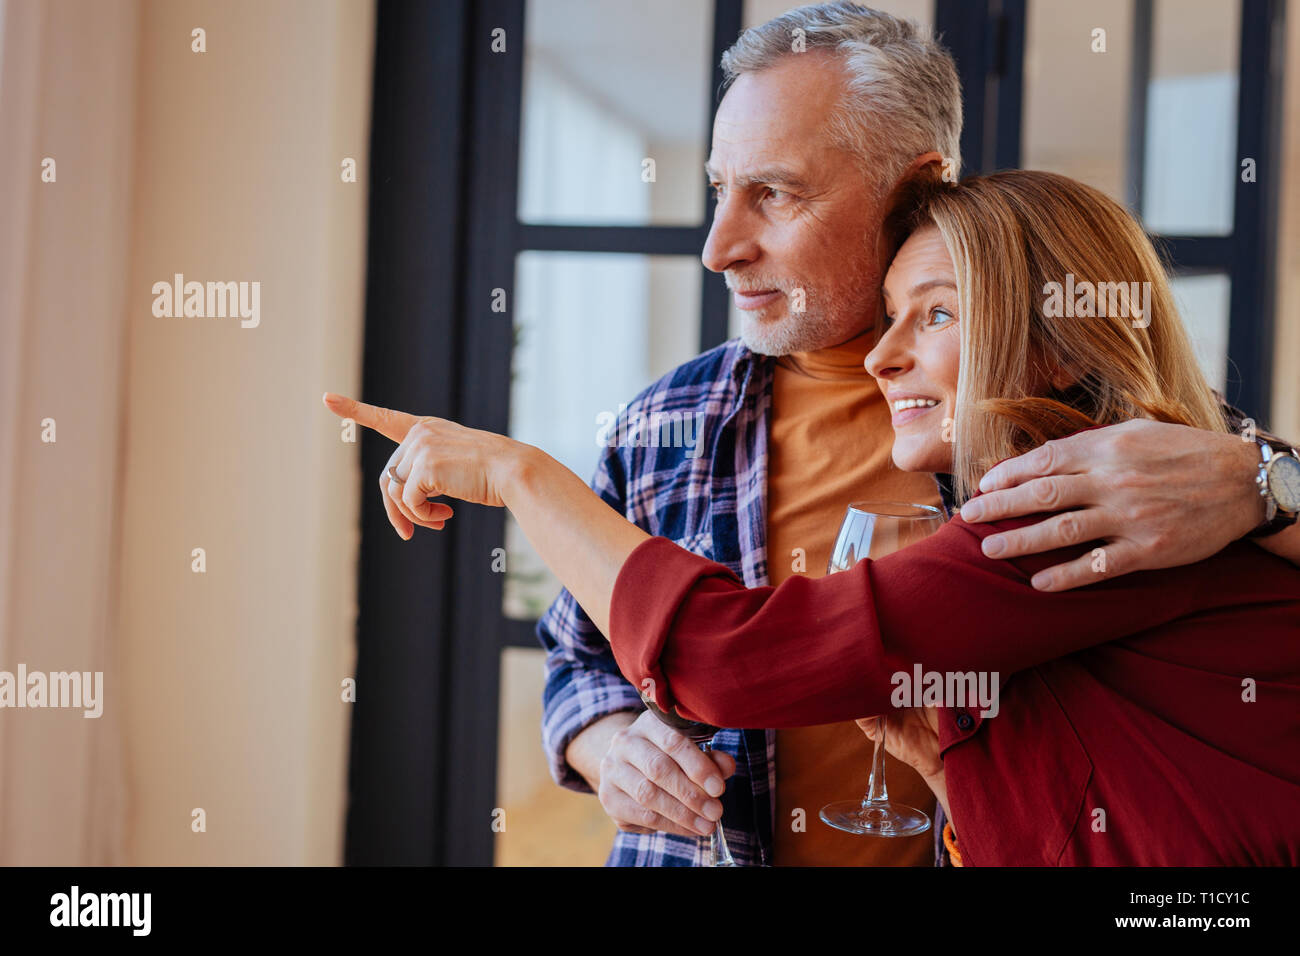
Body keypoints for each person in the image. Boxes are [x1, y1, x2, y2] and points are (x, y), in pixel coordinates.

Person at [323, 168, 1300, 865]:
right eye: (890, 315)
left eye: (936, 313)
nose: (884, 356)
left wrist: (518, 471)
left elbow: (728, 658)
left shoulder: (1090, 495)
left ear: (1057, 345)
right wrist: (947, 759)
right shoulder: (672, 415)